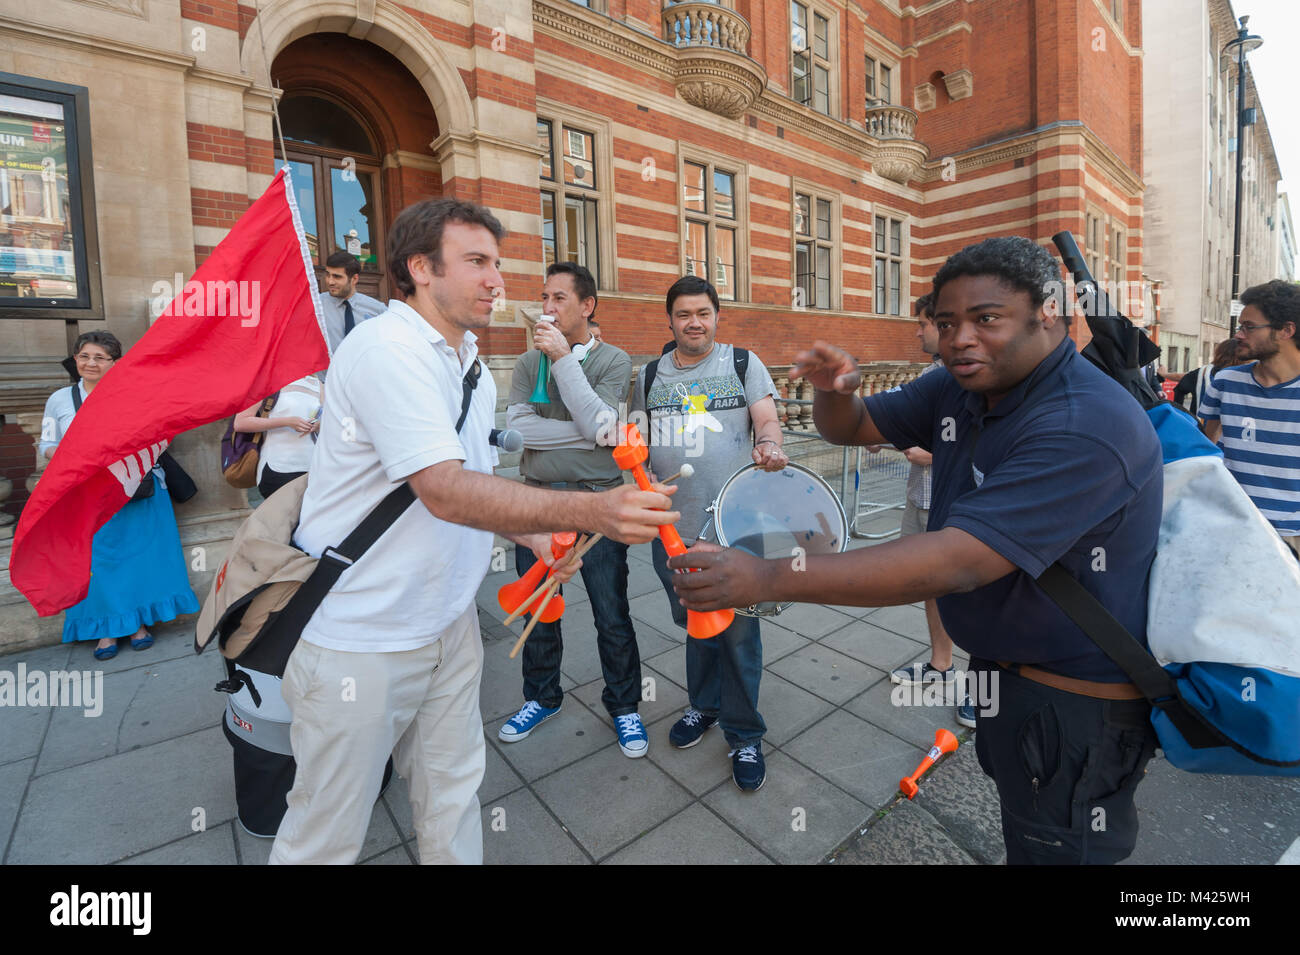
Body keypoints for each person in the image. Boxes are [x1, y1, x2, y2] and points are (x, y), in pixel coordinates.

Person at [671, 237, 1165, 864]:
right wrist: (835, 390)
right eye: (947, 321)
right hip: (1007, 676)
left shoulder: (1083, 422)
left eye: (987, 319)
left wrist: (767, 577)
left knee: (1058, 848)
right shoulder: (959, 387)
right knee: (1026, 833)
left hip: (1075, 703)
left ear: (1050, 313)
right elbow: (852, 428)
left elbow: (958, 561)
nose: (960, 338)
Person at [268, 198, 676, 865]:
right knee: (325, 831)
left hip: (448, 625)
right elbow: (447, 490)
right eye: (477, 262)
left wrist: (541, 541)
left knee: (453, 797)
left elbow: (483, 478)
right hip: (363, 638)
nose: (497, 281)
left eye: (497, 263)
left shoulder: (473, 366)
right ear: (420, 268)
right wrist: (591, 512)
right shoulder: (387, 350)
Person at [630, 275, 788, 792]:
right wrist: (644, 478)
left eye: (703, 313)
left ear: (716, 316)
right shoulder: (649, 374)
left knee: (739, 633)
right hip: (672, 531)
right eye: (683, 314)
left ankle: (745, 734)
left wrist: (768, 444)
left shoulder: (742, 363)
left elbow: (767, 420)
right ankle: (704, 706)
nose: (693, 323)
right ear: (669, 320)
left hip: (733, 528)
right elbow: (638, 441)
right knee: (695, 624)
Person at [499, 262, 648, 757]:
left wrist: (565, 362)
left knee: (611, 613)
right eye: (544, 297)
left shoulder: (612, 360)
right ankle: (542, 697)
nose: (546, 308)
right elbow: (517, 435)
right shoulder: (525, 364)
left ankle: (625, 706)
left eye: (559, 298)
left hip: (595, 503)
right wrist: (590, 432)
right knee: (537, 609)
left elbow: (605, 424)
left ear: (587, 306)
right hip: (538, 502)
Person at [38, 331, 200, 660]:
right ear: (75, 359)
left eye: (100, 358)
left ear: (116, 363)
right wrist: (74, 454)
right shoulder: (59, 400)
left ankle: (139, 623)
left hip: (135, 489)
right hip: (86, 496)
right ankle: (107, 628)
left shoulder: (137, 396)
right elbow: (45, 446)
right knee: (97, 562)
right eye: (84, 356)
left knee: (139, 559)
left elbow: (163, 438)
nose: (90, 363)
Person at [886, 293, 972, 727]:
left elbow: (985, 444)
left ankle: (982, 686)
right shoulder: (927, 375)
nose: (918, 332)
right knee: (927, 585)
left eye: (923, 323)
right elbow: (905, 426)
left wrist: (932, 455)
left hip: (958, 508)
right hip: (921, 499)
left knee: (973, 593)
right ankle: (941, 665)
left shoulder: (977, 377)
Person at [1200, 280, 1300, 560]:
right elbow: (1206, 451)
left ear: (1286, 330)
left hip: (1294, 536)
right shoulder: (1225, 382)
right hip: (1234, 528)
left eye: (1249, 327)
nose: (1239, 335)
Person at [232, 373, 322, 499]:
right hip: (278, 467)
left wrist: (319, 424)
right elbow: (241, 422)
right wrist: (286, 422)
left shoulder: (318, 384)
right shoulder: (265, 381)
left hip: (314, 469)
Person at [319, 250, 385, 354]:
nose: (330, 281)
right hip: (328, 369)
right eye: (328, 275)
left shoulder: (378, 310)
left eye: (337, 276)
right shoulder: (316, 306)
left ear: (354, 279)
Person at [1173, 339, 1239, 418]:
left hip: (1200, 425)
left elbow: (1179, 389)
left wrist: (1181, 415)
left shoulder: (1202, 373)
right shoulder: (1244, 375)